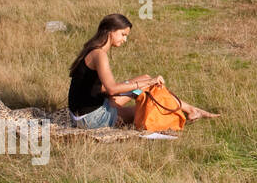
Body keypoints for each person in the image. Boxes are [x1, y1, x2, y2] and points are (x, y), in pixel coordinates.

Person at [68, 14, 216, 129]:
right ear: (110, 32)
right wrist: (146, 83)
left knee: (144, 79)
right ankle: (189, 111)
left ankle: (191, 109)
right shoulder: (99, 54)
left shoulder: (92, 49)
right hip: (91, 118)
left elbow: (94, 87)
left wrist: (135, 88)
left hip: (85, 111)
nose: (125, 40)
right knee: (146, 110)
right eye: (123, 34)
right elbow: (111, 89)